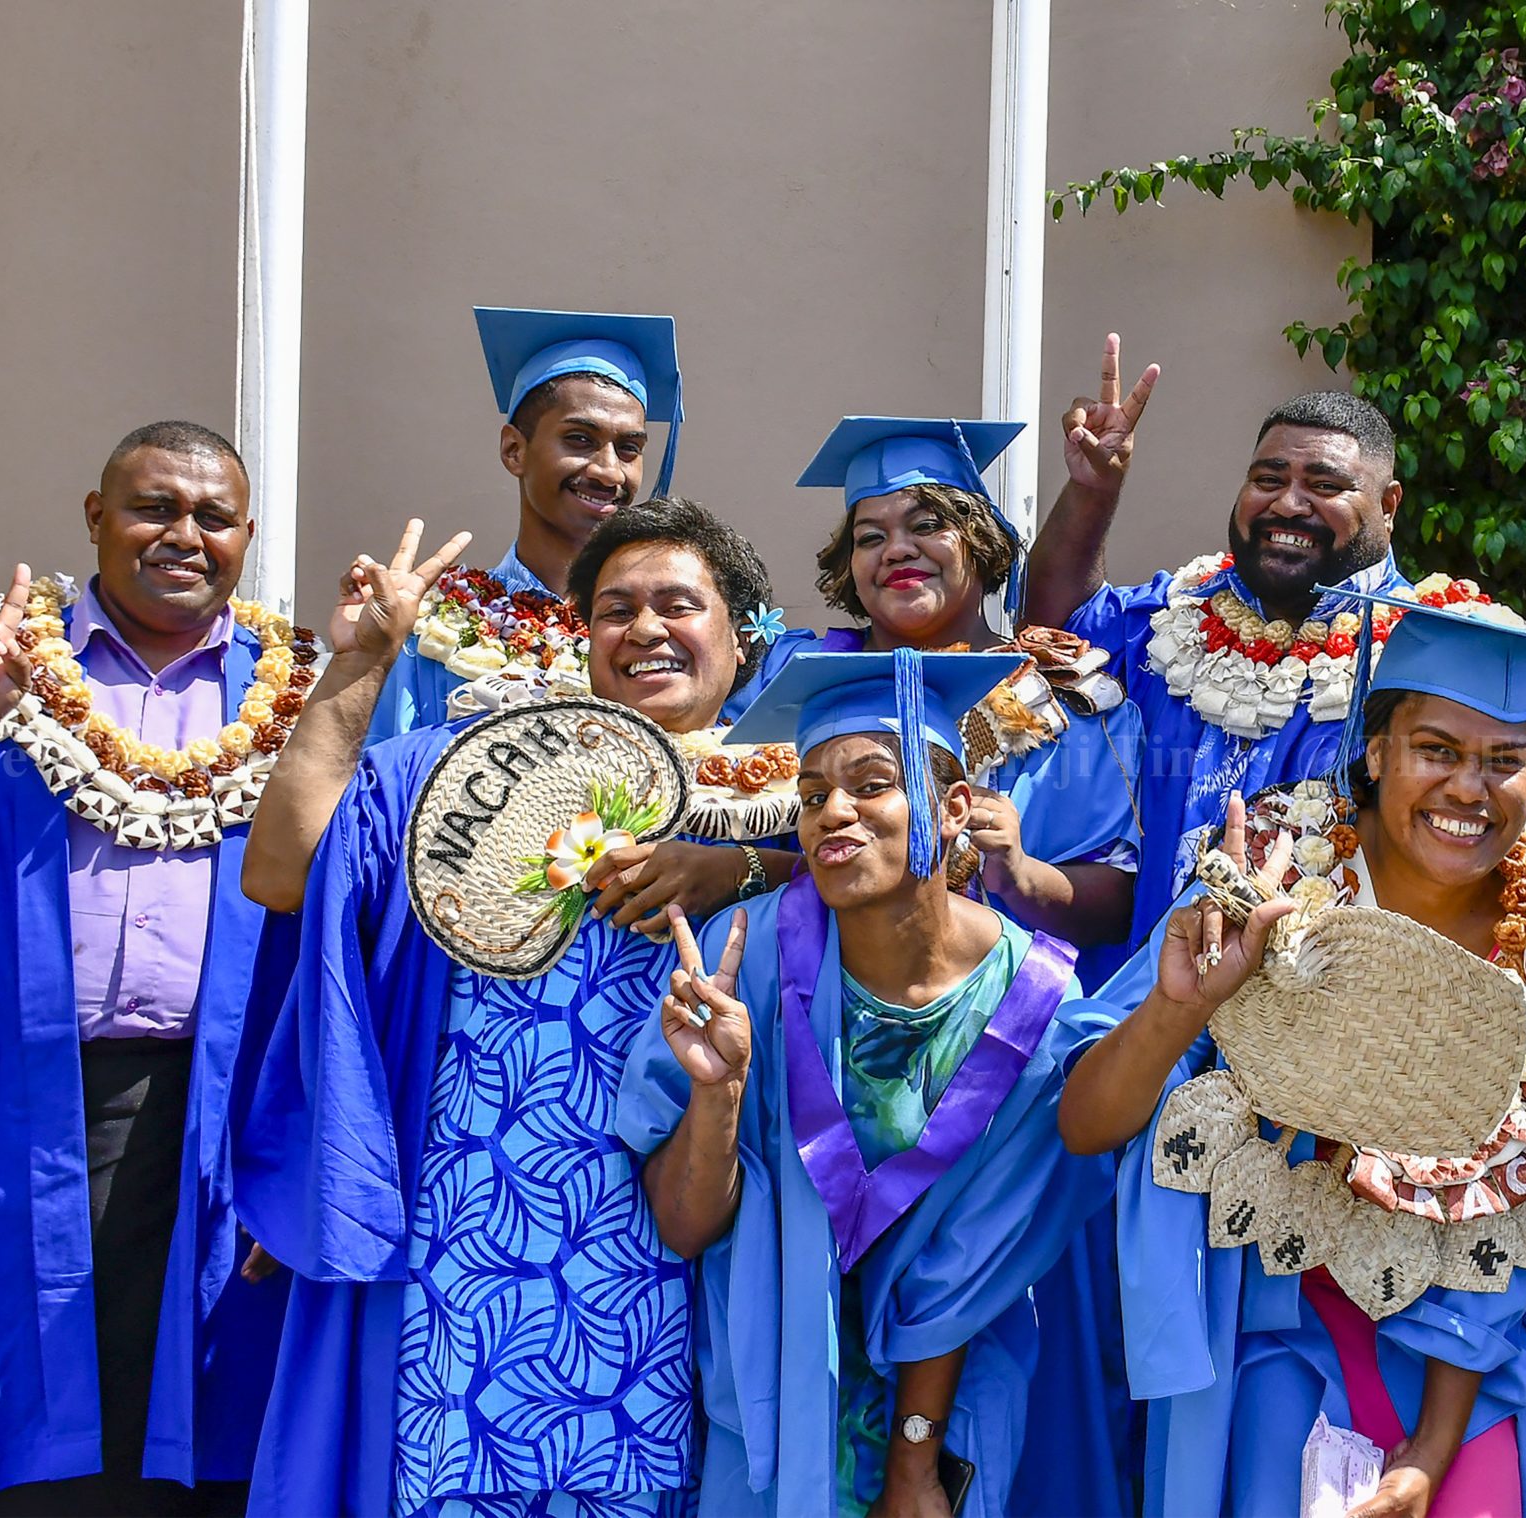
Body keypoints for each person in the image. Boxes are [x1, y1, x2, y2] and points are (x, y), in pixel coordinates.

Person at [1058, 583, 1526, 1518]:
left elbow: (1511, 1221)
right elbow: (1086, 1125)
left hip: (1470, 1376)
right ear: (1374, 751)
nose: (1468, 789)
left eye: (1504, 760)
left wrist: (1429, 1454)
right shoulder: (1266, 888)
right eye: (1435, 751)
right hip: (1267, 1344)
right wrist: (1181, 1007)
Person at [232, 497, 780, 1516]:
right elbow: (280, 871)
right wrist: (361, 666)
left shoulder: (797, 794)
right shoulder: (475, 770)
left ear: (741, 641)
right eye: (615, 609)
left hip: (689, 1255)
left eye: (677, 604)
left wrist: (742, 860)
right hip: (471, 1252)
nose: (646, 629)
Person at [0, 422, 291, 1517]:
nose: (184, 535)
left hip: (221, 1117)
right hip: (7, 1103)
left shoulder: (297, 698)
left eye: (214, 517)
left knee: (198, 1443)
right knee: (4, 1432)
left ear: (247, 535)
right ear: (94, 517)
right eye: (153, 507)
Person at [617, 650, 1116, 1518]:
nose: (832, 813)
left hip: (951, 1405)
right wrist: (718, 1095)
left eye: (872, 784)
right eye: (811, 797)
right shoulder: (747, 959)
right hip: (772, 1406)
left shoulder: (1034, 997)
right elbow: (685, 1226)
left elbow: (978, 1256)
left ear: (954, 808)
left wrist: (913, 1464)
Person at [1021, 338, 1433, 939]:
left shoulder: (1433, 650)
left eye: (1325, 485)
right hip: (1148, 1004)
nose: (1289, 503)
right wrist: (1093, 489)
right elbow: (1060, 627)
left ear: (1388, 505)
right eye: (1268, 478)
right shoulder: (1174, 619)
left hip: (1329, 1011)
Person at [729, 414, 1143, 976]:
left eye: (927, 525)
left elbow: (1117, 909)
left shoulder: (1066, 702)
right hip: (818, 1008)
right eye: (870, 537)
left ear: (980, 538)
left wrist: (1019, 874)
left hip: (1014, 1019)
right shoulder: (797, 683)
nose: (897, 549)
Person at [365, 305, 683, 739]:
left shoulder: (663, 636)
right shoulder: (430, 631)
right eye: (580, 440)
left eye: (629, 448)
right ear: (514, 450)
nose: (609, 471)